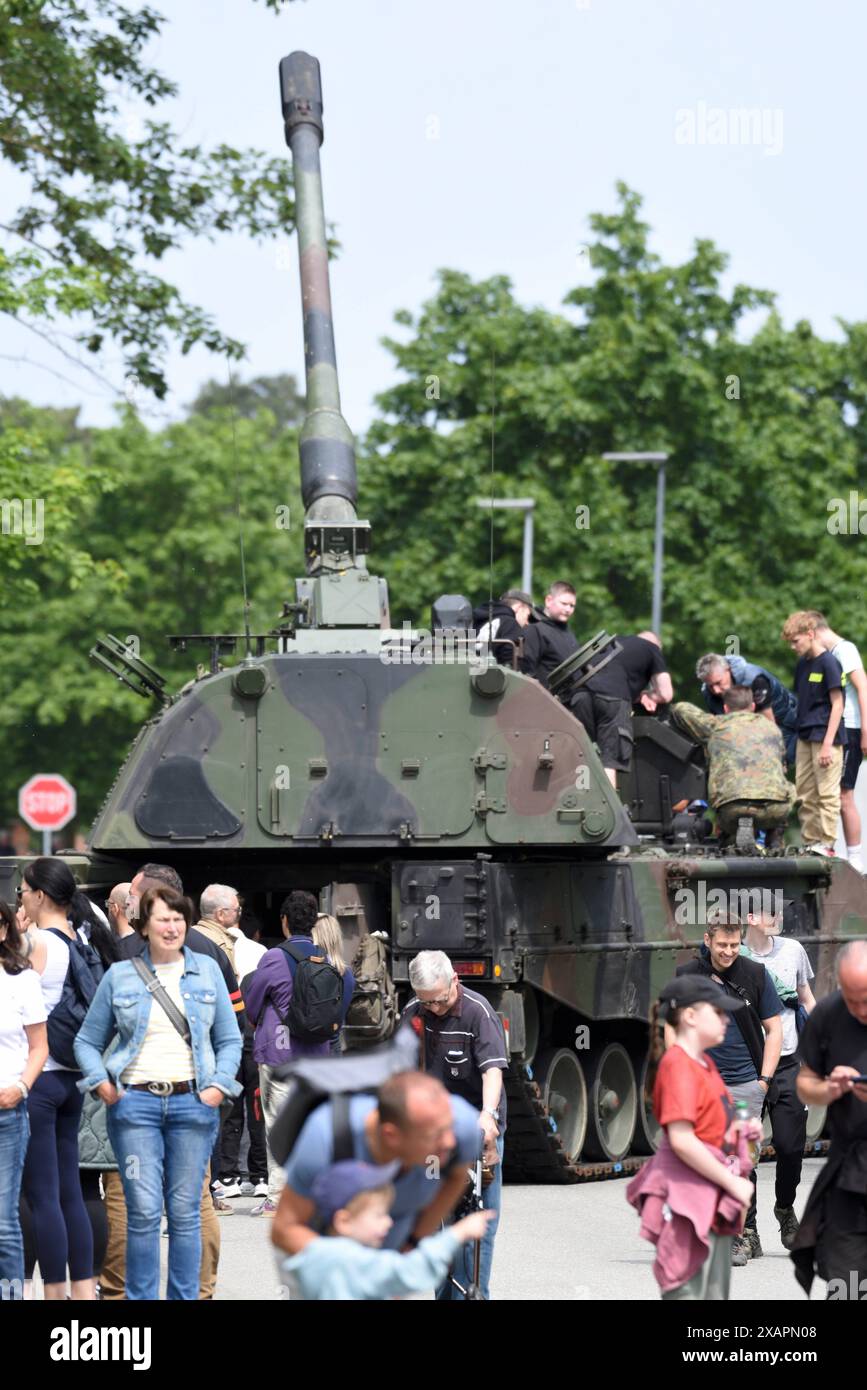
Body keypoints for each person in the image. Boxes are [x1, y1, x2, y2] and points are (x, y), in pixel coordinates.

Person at [74, 886, 242, 1301]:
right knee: (144, 1213)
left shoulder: (205, 971)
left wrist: (219, 1086)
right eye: (163, 919)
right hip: (135, 1108)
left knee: (185, 1214)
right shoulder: (120, 976)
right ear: (143, 926)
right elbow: (86, 1041)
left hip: (193, 1102)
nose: (172, 927)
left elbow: (230, 1039)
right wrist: (101, 1084)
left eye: (178, 918)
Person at [17, 858, 117, 1301]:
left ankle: (54, 1295)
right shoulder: (79, 937)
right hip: (70, 1078)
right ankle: (81, 1290)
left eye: (23, 891)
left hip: (37, 1080)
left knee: (42, 1197)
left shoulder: (37, 943)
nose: (20, 898)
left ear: (40, 895)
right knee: (71, 1193)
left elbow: (15, 1004)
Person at [627, 977, 759, 1300]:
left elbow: (708, 1128)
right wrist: (733, 1184)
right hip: (688, 1204)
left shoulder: (704, 1063)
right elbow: (683, 1141)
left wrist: (736, 1132)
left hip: (707, 1203)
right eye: (717, 1011)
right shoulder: (679, 1067)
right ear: (689, 1017)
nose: (726, 1019)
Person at [272, 1071, 482, 1261]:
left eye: (448, 1129)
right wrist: (364, 1274)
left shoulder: (462, 1127)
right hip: (326, 1263)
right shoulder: (326, 1138)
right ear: (392, 1136)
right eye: (435, 1135)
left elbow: (456, 1175)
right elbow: (285, 1230)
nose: (449, 1142)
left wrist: (414, 1242)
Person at [675, 910, 783, 1264]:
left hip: (745, 1085)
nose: (728, 951)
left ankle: (738, 1236)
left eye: (735, 944)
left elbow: (775, 1029)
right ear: (707, 941)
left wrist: (764, 1081)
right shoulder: (688, 975)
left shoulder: (754, 974)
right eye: (722, 944)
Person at [401, 949, 507, 1300]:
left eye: (440, 1000)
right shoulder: (411, 1015)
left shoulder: (478, 1013)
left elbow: (492, 1069)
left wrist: (488, 1115)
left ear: (454, 981)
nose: (434, 1008)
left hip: (476, 1131)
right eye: (426, 1002)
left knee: (477, 1228)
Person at [281, 1159, 494, 1301]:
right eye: (379, 1216)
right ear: (344, 1221)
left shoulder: (310, 1257)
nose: (389, 1223)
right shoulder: (362, 1263)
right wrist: (457, 1234)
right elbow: (413, 1269)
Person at [792, 940, 867, 1299]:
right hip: (850, 1174)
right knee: (846, 1288)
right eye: (853, 999)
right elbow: (806, 1082)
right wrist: (829, 1090)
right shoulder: (829, 1014)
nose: (861, 1009)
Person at [245, 891, 326, 1215]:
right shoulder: (327, 958)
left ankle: (278, 1198)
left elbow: (252, 1003)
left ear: (285, 922)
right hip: (318, 1056)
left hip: (280, 1055)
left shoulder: (274, 958)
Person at [740, 904, 816, 1250]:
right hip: (748, 1065)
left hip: (788, 1063)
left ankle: (785, 1207)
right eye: (770, 913)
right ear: (750, 918)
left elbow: (805, 998)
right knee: (746, 1152)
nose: (778, 918)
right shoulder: (736, 957)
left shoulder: (794, 951)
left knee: (789, 1147)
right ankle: (749, 1228)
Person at [670, 685, 794, 850]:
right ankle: (775, 833)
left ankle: (735, 834)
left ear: (726, 708)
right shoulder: (772, 729)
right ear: (753, 706)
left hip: (734, 808)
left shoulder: (717, 726)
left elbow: (681, 709)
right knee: (787, 788)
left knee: (731, 815)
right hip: (776, 809)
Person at [0, 900, 48, 1299]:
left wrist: (22, 1087)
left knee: (3, 1222)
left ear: (4, 929)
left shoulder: (21, 980)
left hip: (7, 1111)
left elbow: (39, 1047)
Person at [571, 631, 673, 788]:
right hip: (612, 699)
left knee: (583, 755)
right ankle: (604, 811)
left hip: (579, 696)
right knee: (609, 760)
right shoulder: (652, 648)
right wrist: (648, 694)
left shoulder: (611, 642)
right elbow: (666, 694)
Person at [781, 610, 845, 856]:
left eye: (795, 641)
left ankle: (827, 844)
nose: (793, 647)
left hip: (825, 735)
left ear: (810, 634)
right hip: (805, 735)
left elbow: (837, 704)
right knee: (805, 793)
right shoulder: (803, 664)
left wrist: (828, 744)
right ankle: (810, 842)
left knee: (826, 793)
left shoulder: (829, 662)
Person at [810, 612, 867, 872]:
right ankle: (831, 847)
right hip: (838, 730)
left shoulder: (845, 650)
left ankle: (855, 857)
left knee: (844, 794)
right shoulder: (829, 655)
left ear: (814, 631)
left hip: (852, 727)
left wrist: (865, 729)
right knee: (831, 792)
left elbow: (863, 686)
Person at [695, 652, 799, 765]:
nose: (716, 690)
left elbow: (769, 726)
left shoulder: (754, 679)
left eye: (718, 683)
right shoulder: (708, 693)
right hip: (749, 731)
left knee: (776, 762)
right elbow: (724, 726)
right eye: (710, 686)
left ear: (728, 670)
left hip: (786, 723)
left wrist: (777, 759)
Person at [519, 581, 578, 688]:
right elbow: (527, 671)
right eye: (564, 604)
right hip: (548, 698)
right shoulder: (534, 629)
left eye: (572, 606)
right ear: (549, 600)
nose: (568, 609)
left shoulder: (568, 633)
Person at [472, 589, 534, 667]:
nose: (527, 623)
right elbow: (511, 664)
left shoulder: (477, 619)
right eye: (527, 616)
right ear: (519, 607)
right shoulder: (510, 624)